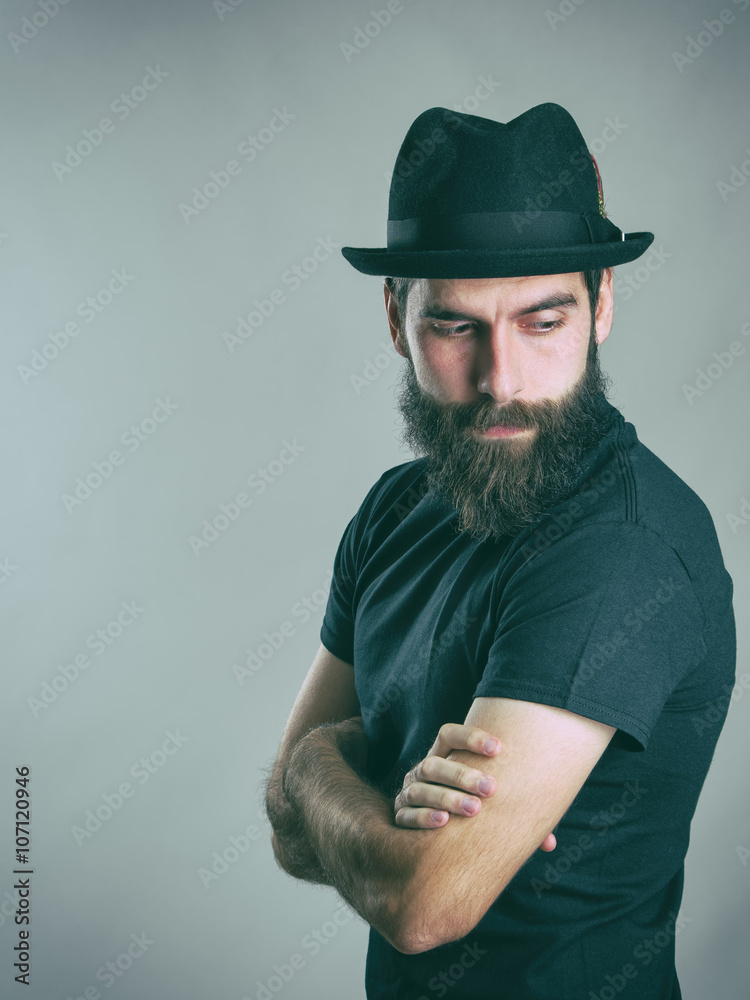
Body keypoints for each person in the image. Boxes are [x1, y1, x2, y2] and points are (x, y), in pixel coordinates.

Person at [264, 103, 736, 1000]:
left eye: (541, 322)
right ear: (396, 320)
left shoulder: (619, 551)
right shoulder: (395, 509)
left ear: (601, 305)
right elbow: (290, 834)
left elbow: (422, 903)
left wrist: (320, 760)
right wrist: (333, 786)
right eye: (455, 328)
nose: (500, 380)